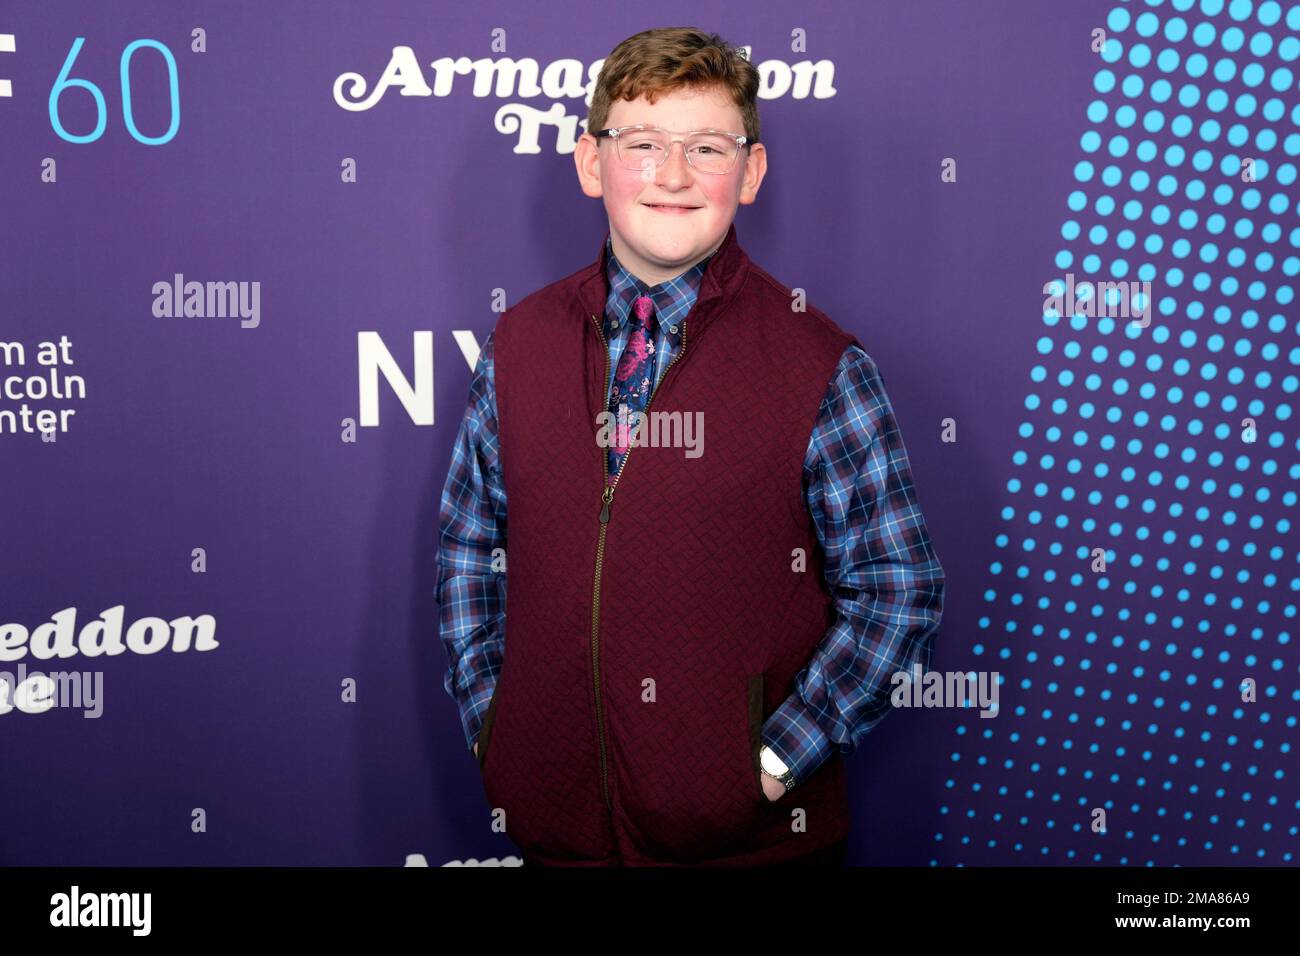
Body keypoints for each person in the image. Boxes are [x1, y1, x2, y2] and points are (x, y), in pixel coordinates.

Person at [437, 26, 945, 867]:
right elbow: (467, 550)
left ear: (749, 174)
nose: (672, 176)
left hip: (754, 849)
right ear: (591, 163)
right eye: (642, 144)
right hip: (557, 837)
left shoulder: (820, 365)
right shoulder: (518, 343)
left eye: (707, 147)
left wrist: (770, 766)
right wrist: (499, 725)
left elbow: (898, 592)